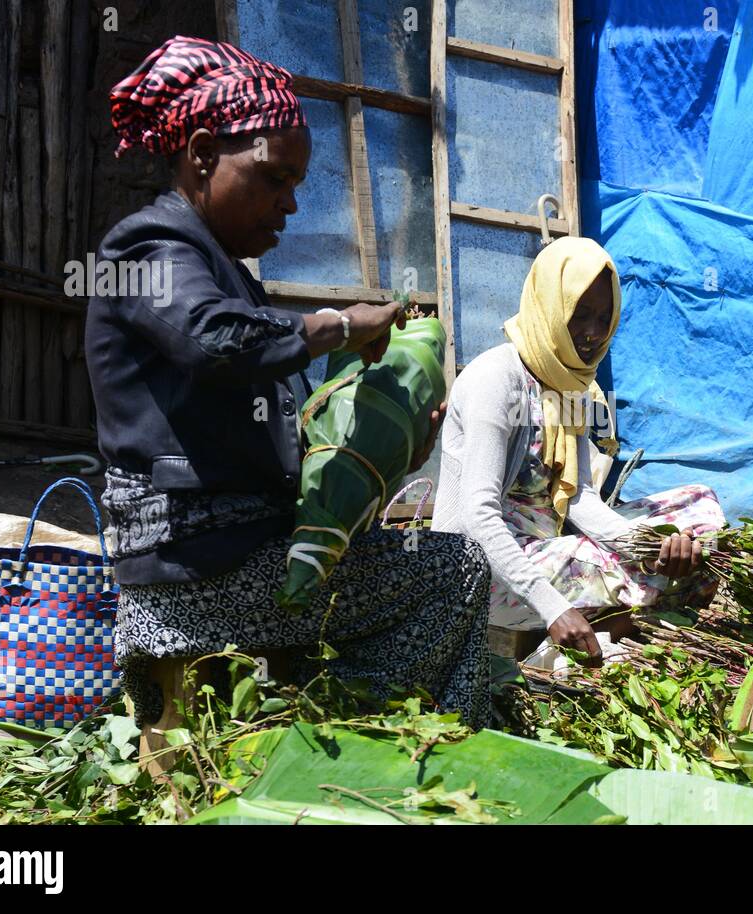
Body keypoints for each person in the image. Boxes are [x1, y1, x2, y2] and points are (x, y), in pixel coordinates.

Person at [87, 37, 491, 727]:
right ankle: (366, 734)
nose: (290, 206)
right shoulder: (147, 248)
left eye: (299, 186)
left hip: (237, 560)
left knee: (423, 565)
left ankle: (349, 728)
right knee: (456, 569)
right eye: (275, 179)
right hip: (198, 573)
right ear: (205, 153)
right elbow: (213, 340)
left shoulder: (223, 269)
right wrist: (341, 324)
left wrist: (386, 455)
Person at [431, 236, 725, 662]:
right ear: (550, 306)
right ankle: (560, 658)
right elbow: (478, 516)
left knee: (695, 513)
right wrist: (553, 606)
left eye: (604, 318)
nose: (592, 333)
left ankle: (575, 650)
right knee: (648, 572)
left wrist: (644, 544)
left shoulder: (571, 384)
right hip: (483, 569)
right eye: (580, 314)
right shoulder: (495, 380)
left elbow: (580, 497)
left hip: (546, 550)